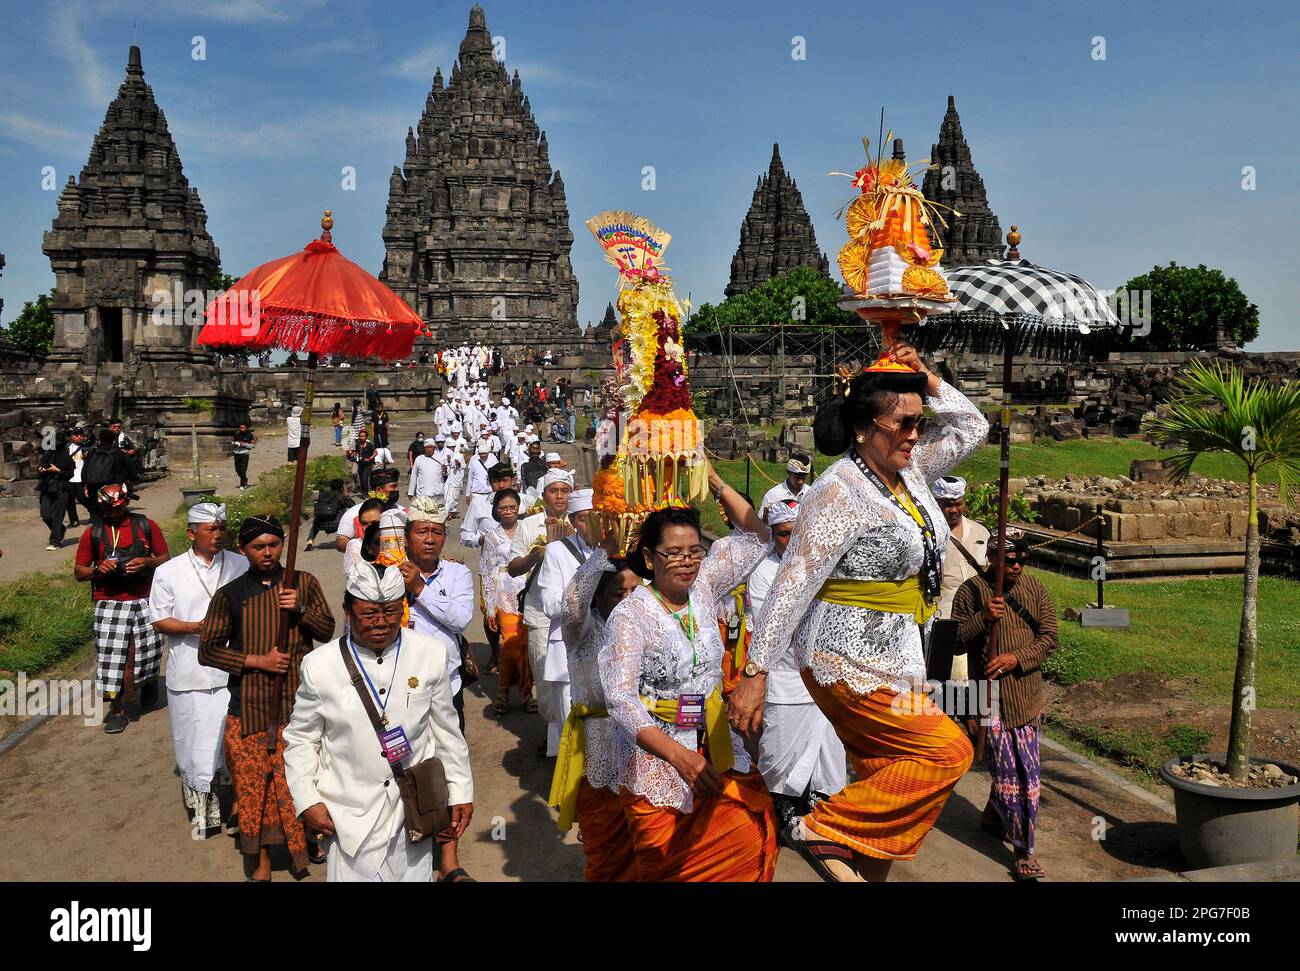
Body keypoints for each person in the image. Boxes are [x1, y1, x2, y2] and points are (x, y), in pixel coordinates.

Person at [729, 346, 989, 882]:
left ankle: (860, 865)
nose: (916, 434)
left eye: (920, 422)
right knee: (947, 752)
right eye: (904, 423)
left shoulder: (912, 471)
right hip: (845, 661)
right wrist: (755, 672)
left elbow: (972, 426)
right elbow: (793, 584)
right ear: (863, 427)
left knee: (893, 784)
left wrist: (925, 377)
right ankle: (820, 824)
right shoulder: (835, 492)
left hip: (901, 655)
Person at [600, 468, 777, 882]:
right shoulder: (630, 615)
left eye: (695, 551)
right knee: (667, 868)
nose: (686, 562)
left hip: (713, 744)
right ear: (648, 557)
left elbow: (760, 536)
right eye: (673, 553)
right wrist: (679, 758)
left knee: (747, 838)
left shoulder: (704, 586)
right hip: (657, 760)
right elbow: (621, 700)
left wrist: (712, 478)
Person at [284, 561, 474, 882]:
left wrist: (460, 790)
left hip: (412, 812)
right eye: (369, 613)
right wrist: (307, 800)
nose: (381, 623)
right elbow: (301, 740)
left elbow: (446, 731)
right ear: (347, 609)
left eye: (390, 612)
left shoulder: (430, 653)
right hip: (348, 819)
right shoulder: (319, 666)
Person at [198, 515, 335, 881]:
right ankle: (258, 858)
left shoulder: (303, 583)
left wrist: (300, 610)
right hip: (251, 706)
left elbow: (327, 630)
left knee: (301, 780)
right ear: (243, 550)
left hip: (301, 703)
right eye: (258, 547)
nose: (268, 553)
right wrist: (255, 661)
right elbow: (208, 650)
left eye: (274, 544)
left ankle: (307, 838)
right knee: (253, 786)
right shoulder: (231, 595)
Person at [952, 529, 1058, 881]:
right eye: (1009, 560)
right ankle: (1024, 853)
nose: (1017, 566)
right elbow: (954, 642)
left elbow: (1050, 639)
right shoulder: (972, 592)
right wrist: (983, 618)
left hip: (1026, 697)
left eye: (1023, 559)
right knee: (1010, 778)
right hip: (988, 699)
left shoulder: (1035, 589)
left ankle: (999, 822)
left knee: (1030, 779)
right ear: (992, 559)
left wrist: (1016, 658)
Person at [746, 501, 847, 856]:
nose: (791, 540)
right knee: (778, 753)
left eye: (796, 532)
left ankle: (821, 815)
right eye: (784, 534)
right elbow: (771, 629)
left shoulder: (825, 565)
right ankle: (779, 818)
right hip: (785, 679)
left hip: (825, 677)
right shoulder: (762, 573)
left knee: (828, 754)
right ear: (772, 536)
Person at [148, 503, 248, 836]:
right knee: (192, 745)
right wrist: (197, 627)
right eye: (211, 529)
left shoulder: (241, 564)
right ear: (192, 533)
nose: (218, 535)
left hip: (233, 670)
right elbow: (160, 619)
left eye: (222, 528)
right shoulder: (169, 571)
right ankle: (203, 811)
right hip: (190, 672)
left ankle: (235, 806)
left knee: (230, 742)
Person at [547, 531, 640, 881]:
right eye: (619, 593)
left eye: (635, 591)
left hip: (641, 746)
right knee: (604, 845)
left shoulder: (646, 628)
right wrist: (604, 553)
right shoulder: (582, 632)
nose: (629, 600)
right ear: (598, 598)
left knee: (645, 839)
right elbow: (571, 603)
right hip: (596, 743)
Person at [395, 496, 477, 882]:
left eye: (437, 532)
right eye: (422, 531)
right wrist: (402, 582)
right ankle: (404, 853)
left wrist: (421, 590)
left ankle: (448, 859)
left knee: (447, 768)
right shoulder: (387, 571)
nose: (429, 539)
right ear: (408, 536)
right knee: (400, 767)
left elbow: (460, 619)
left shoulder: (456, 574)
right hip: (395, 690)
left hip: (446, 686)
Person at [74, 483, 170, 734]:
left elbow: (165, 559)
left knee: (150, 649)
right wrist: (98, 569)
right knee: (111, 657)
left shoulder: (145, 526)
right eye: (108, 508)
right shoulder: (93, 533)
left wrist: (146, 562)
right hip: (109, 600)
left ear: (126, 503)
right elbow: (79, 572)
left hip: (145, 597)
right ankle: (118, 710)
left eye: (117, 507)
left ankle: (148, 681)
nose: (113, 513)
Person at [507, 470, 573, 757]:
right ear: (544, 495)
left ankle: (568, 738)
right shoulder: (530, 525)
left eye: (565, 491)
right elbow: (512, 567)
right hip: (540, 612)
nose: (559, 496)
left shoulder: (582, 522)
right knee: (545, 677)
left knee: (572, 676)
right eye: (553, 491)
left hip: (574, 610)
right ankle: (554, 725)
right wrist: (535, 555)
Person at [534, 488, 597, 756]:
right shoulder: (557, 551)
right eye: (583, 518)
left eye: (597, 517)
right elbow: (548, 604)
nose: (591, 524)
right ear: (572, 521)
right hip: (567, 649)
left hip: (603, 647)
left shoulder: (617, 549)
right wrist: (583, 593)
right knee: (569, 719)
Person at [931, 475, 990, 710]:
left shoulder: (981, 532)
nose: (953, 510)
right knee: (944, 685)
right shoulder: (929, 535)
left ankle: (974, 727)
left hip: (978, 617)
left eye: (958, 503)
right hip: (943, 617)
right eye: (947, 504)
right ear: (936, 503)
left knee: (976, 681)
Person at [480, 488, 535, 714]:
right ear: (496, 511)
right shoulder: (492, 537)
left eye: (513, 506)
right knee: (510, 644)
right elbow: (486, 570)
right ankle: (503, 691)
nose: (509, 511)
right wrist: (489, 608)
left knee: (526, 646)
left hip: (529, 591)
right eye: (503, 507)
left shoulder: (528, 530)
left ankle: (526, 694)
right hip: (504, 592)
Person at [37, 431, 75, 550]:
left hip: (62, 488)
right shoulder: (48, 454)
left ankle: (55, 541)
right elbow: (39, 467)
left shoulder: (66, 457)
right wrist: (41, 469)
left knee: (57, 516)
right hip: (47, 487)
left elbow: (70, 473)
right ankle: (61, 530)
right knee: (46, 515)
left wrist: (57, 470)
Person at [342, 498, 387, 577]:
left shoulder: (397, 542)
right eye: (365, 523)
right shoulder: (355, 545)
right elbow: (353, 576)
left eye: (375, 523)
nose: (370, 527)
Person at [759, 454, 811, 520]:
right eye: (797, 477)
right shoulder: (772, 495)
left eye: (803, 478)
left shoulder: (810, 493)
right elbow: (762, 522)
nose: (800, 482)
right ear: (788, 472)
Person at [305, 478, 347, 551]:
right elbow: (352, 505)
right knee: (345, 510)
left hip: (320, 523)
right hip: (336, 524)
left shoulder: (322, 495)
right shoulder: (340, 496)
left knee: (314, 527)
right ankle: (345, 538)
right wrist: (346, 495)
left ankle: (310, 540)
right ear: (342, 487)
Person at [347, 429, 377, 495]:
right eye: (360, 436)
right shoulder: (358, 444)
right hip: (360, 463)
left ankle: (367, 492)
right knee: (361, 479)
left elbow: (375, 453)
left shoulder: (369, 445)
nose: (361, 437)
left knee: (364, 478)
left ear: (366, 437)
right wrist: (352, 454)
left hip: (368, 464)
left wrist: (370, 458)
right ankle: (363, 491)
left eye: (363, 436)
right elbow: (355, 452)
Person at [232, 421, 255, 490]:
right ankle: (244, 479)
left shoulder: (249, 435)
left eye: (244, 428)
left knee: (243, 469)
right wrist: (234, 443)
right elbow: (233, 441)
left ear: (246, 428)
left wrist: (244, 444)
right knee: (237, 469)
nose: (242, 429)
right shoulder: (236, 433)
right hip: (236, 453)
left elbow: (252, 445)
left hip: (245, 453)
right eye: (241, 428)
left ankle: (242, 484)